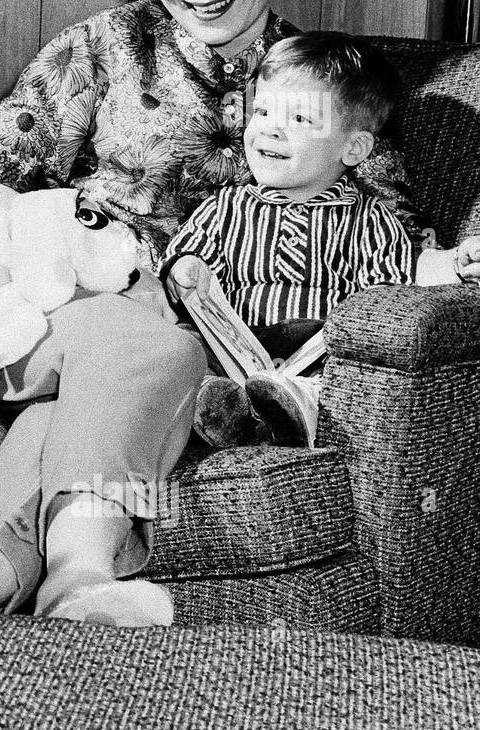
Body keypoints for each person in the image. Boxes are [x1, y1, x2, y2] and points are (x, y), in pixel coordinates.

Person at [0, 0, 479, 626]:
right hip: (55, 323)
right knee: (148, 344)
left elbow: (389, 254)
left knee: (99, 397)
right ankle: (78, 576)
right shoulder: (102, 51)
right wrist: (66, 230)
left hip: (197, 366)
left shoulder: (327, 88)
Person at [163, 32, 480, 448]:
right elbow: (183, 261)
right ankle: (225, 410)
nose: (270, 130)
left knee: (325, 385)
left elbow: (402, 276)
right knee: (180, 351)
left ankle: (286, 413)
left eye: (299, 119)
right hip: (230, 353)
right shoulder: (227, 206)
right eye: (262, 112)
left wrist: (456, 263)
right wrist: (184, 272)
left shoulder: (367, 218)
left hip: (313, 364)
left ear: (353, 148)